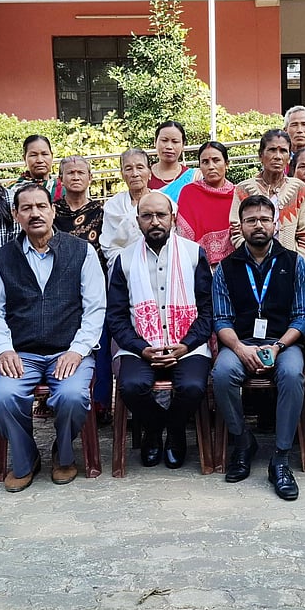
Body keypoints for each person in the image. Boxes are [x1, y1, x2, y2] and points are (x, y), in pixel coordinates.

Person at [0, 184, 104, 491]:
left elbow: (95, 307)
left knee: (73, 396)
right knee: (1, 398)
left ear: (52, 210)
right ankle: (25, 459)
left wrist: (78, 350)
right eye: (26, 208)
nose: (35, 213)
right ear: (16, 215)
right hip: (22, 353)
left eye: (41, 206)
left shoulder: (81, 251)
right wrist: (3, 349)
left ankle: (63, 456)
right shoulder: (2, 258)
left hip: (69, 350)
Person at [212, 195, 305, 500]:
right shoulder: (226, 268)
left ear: (276, 224)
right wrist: (241, 350)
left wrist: (278, 346)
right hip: (240, 342)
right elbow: (220, 319)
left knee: (293, 375)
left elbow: (303, 315)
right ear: (241, 226)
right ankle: (243, 441)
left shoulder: (294, 262)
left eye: (264, 219)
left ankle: (280, 457)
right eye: (251, 220)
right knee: (222, 373)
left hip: (283, 342)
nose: (258, 225)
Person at [107, 191, 212, 469]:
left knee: (191, 386)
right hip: (139, 345)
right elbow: (116, 316)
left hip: (187, 344)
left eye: (161, 215)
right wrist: (142, 348)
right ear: (138, 221)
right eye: (147, 216)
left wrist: (187, 345)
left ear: (173, 218)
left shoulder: (193, 253)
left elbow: (208, 309)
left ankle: (175, 432)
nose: (155, 221)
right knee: (132, 386)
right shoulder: (125, 259)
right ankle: (155, 430)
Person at [52, 156, 111, 421]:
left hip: (95, 287)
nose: (75, 177)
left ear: (90, 178)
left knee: (100, 344)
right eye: (69, 172)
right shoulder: (51, 212)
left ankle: (99, 405)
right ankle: (60, 399)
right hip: (57, 289)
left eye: (81, 172)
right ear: (61, 179)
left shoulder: (102, 212)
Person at [230, 129, 305, 256]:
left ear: (289, 158)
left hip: (289, 265)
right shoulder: (244, 189)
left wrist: (295, 261)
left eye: (283, 151)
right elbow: (236, 230)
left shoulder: (299, 188)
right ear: (260, 155)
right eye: (272, 150)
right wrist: (254, 257)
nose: (278, 156)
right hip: (252, 263)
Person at [176, 141, 237, 268]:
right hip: (199, 266)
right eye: (205, 162)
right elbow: (184, 238)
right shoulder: (189, 193)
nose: (211, 166)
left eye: (216, 160)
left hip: (234, 264)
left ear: (227, 164)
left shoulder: (238, 195)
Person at [102, 148, 152, 268]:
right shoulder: (113, 206)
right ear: (122, 174)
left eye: (140, 167)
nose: (135, 174)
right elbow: (109, 246)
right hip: (124, 267)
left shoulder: (163, 202)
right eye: (129, 169)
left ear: (150, 172)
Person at [147, 121, 195, 201]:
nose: (169, 146)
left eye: (175, 141)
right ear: (155, 142)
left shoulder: (193, 177)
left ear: (183, 145)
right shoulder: (144, 176)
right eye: (164, 140)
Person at [8, 134, 62, 203]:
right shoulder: (12, 191)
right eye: (33, 155)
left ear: (52, 156)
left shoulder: (63, 188)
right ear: (24, 158)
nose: (40, 160)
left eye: (44, 154)